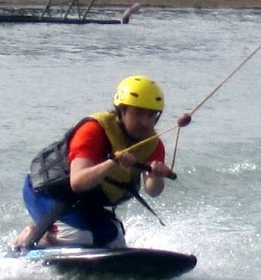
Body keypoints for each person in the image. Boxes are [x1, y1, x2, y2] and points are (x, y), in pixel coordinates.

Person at [14, 75, 175, 250]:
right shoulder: (93, 131)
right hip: (48, 193)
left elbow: (153, 191)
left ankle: (64, 235)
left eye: (151, 115)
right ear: (122, 111)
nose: (145, 122)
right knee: (81, 237)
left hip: (87, 204)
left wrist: (155, 176)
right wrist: (112, 162)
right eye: (138, 113)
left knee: (115, 242)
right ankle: (34, 235)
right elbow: (77, 183)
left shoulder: (153, 143)